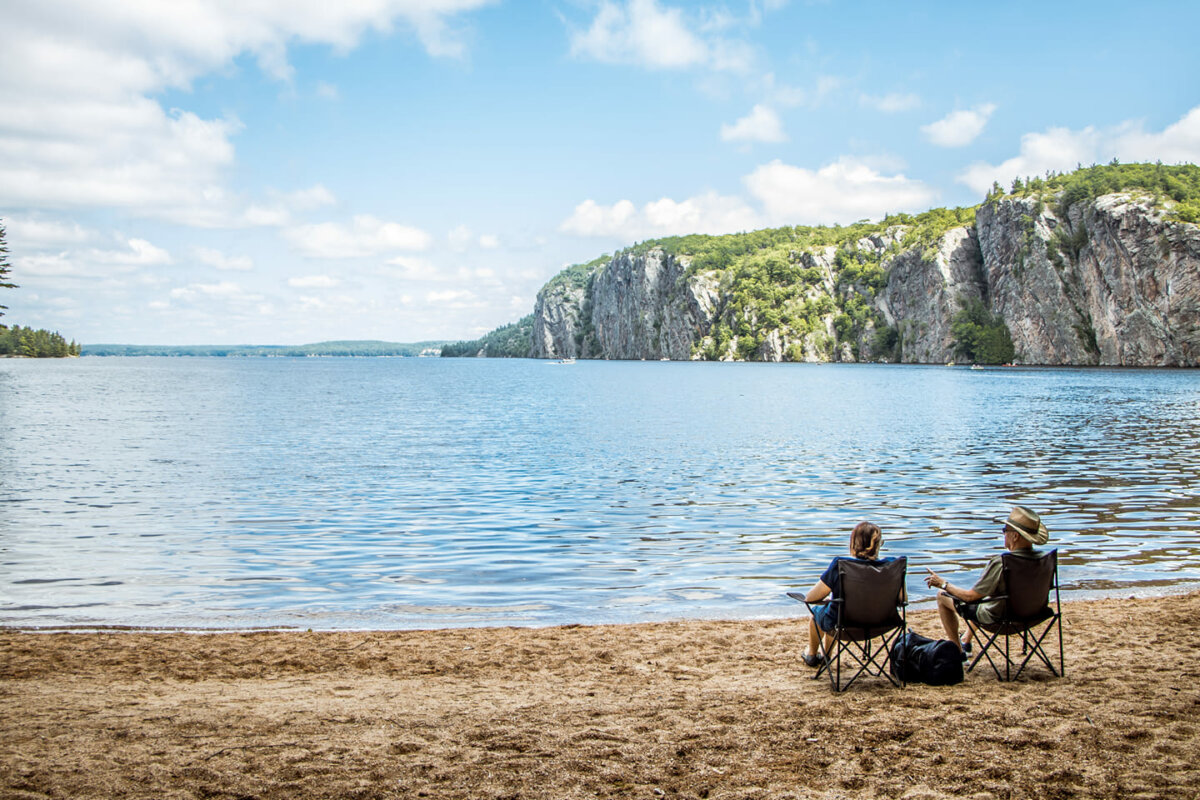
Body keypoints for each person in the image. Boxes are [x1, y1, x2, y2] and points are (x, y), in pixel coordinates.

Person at [923, 505, 1050, 658]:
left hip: (1000, 619)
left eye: (1005, 531)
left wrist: (943, 583)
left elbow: (970, 597)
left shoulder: (1003, 563)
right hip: (1033, 615)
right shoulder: (1045, 559)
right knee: (988, 595)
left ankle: (958, 652)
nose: (1004, 534)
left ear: (1015, 536)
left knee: (942, 595)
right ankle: (966, 639)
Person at [801, 521, 899, 667]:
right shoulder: (893, 567)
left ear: (853, 544)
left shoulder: (840, 565)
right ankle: (826, 655)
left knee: (818, 613)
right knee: (833, 608)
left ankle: (812, 655)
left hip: (844, 626)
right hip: (882, 624)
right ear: (878, 545)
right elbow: (902, 600)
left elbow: (811, 598)